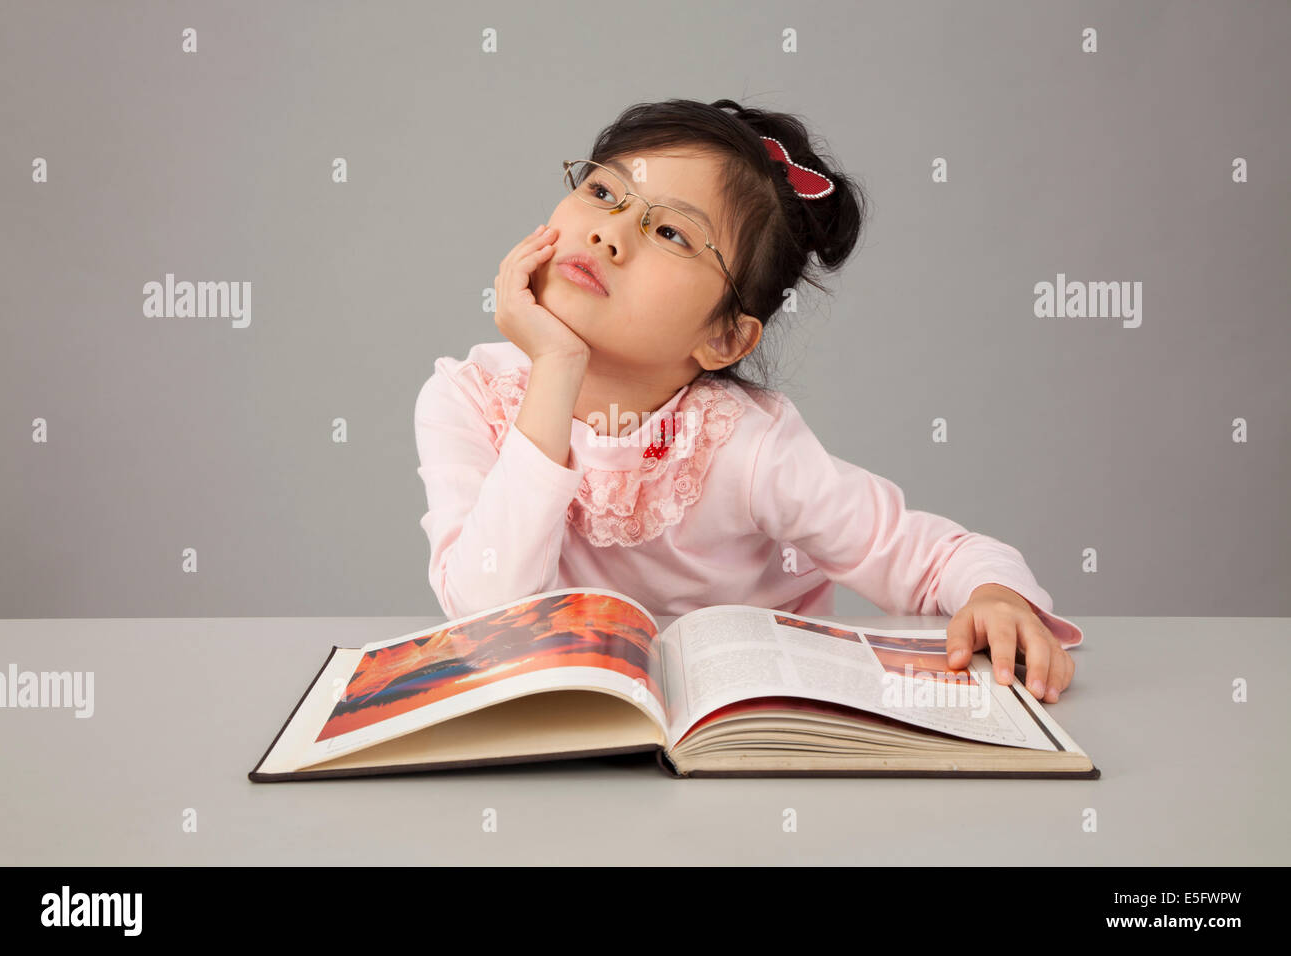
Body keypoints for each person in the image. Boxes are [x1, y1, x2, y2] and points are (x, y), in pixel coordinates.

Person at [414, 98, 1079, 703]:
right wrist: (556, 368)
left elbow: (923, 552)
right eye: (602, 191)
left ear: (725, 336)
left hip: (750, 730)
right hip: (576, 735)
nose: (608, 236)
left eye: (672, 234)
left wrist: (997, 594)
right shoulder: (468, 399)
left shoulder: (740, 443)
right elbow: (488, 613)